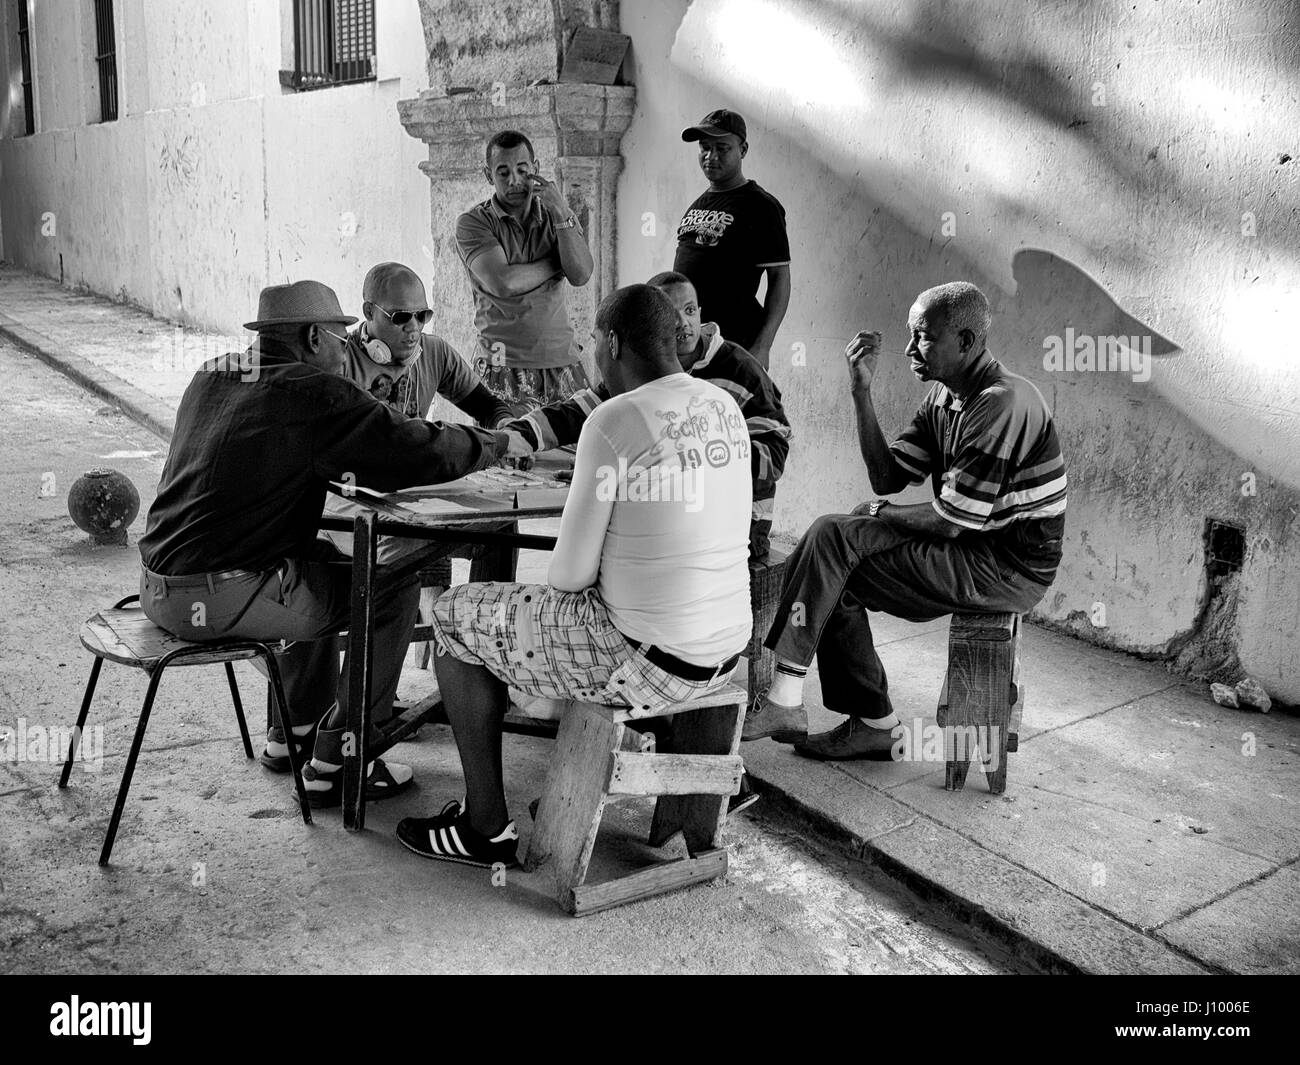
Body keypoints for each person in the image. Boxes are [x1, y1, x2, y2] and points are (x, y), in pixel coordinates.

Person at [394, 284, 753, 867]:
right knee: (528, 614)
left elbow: (567, 577)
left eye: (594, 345)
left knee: (453, 614)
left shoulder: (615, 419)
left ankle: (484, 828)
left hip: (641, 659)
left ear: (611, 343)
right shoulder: (722, 405)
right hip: (724, 648)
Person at [137, 280, 523, 806]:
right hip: (218, 596)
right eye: (342, 339)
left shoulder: (213, 373)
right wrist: (497, 444)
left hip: (157, 585)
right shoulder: (313, 392)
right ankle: (341, 761)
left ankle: (293, 732)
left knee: (319, 558)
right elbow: (416, 453)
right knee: (388, 587)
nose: (347, 349)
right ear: (316, 337)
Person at [745, 282, 1067, 758]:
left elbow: (951, 520)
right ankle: (872, 722)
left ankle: (787, 697)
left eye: (924, 337)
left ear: (966, 342)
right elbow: (887, 476)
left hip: (1006, 568)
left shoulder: (1003, 402)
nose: (910, 348)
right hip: (969, 552)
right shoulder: (943, 397)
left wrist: (878, 515)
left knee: (833, 537)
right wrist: (861, 392)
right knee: (831, 561)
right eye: (911, 335)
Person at [502, 270, 792, 562]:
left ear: (701, 312)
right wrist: (516, 437)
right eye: (670, 314)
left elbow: (774, 457)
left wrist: (634, 473)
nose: (682, 323)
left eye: (690, 310)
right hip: (678, 516)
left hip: (740, 523)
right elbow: (579, 411)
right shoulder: (645, 365)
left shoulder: (742, 371)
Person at [455, 129, 594, 416]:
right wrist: (557, 264)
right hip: (502, 364)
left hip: (562, 361)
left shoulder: (556, 215)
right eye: (503, 172)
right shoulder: (473, 223)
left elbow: (580, 274)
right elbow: (503, 282)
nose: (514, 181)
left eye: (522, 169)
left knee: (571, 456)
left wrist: (560, 212)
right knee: (508, 456)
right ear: (488, 175)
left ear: (536, 169)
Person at [673, 109, 790, 369]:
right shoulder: (698, 204)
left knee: (735, 410)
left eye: (722, 148)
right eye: (704, 147)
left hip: (734, 345)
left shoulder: (760, 206)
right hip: (692, 343)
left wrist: (763, 346)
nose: (710, 156)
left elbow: (779, 278)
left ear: (743, 149)